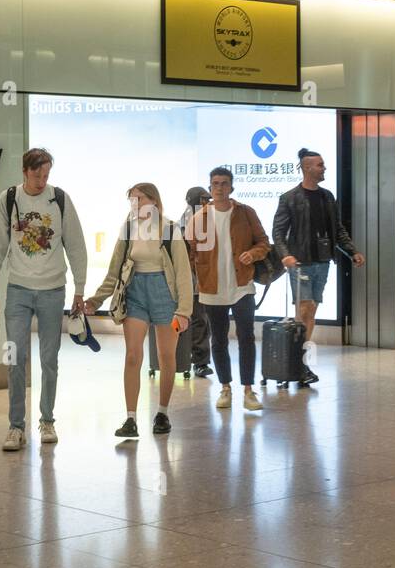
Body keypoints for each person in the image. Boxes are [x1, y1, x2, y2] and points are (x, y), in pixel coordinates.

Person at [0, 148, 87, 451]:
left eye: (46, 175)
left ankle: (48, 420)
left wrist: (80, 288)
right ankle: (16, 427)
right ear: (24, 171)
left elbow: (76, 244)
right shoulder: (9, 199)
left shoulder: (60, 199)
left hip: (53, 290)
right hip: (18, 290)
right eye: (37, 174)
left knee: (49, 359)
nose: (42, 181)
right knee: (15, 359)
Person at [84, 183, 193, 438]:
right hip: (135, 292)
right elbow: (115, 269)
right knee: (133, 355)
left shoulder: (169, 229)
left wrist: (184, 311)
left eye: (139, 199)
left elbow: (183, 275)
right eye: (131, 200)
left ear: (154, 201)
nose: (134, 204)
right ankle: (130, 418)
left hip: (165, 294)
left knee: (166, 356)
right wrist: (96, 300)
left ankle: (162, 413)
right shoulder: (129, 229)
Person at [271, 147, 366, 386]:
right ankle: (296, 363)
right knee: (304, 309)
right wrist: (285, 256)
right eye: (320, 165)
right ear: (306, 168)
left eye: (323, 164)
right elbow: (278, 233)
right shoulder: (289, 198)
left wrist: (352, 251)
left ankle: (299, 360)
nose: (324, 168)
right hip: (299, 263)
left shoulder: (327, 197)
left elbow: (338, 229)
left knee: (311, 310)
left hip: (322, 261)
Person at [185, 167, 271, 412]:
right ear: (210, 188)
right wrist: (199, 272)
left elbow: (263, 242)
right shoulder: (199, 218)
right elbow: (190, 252)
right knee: (218, 339)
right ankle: (225, 388)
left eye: (224, 183)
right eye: (215, 184)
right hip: (212, 288)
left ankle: (248, 390)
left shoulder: (245, 213)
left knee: (246, 336)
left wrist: (252, 254)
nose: (220, 188)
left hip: (242, 285)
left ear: (232, 187)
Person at [180, 185, 214, 377]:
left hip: (202, 282)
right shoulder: (183, 225)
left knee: (201, 322)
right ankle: (197, 362)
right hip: (191, 283)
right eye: (203, 200)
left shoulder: (208, 221)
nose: (207, 204)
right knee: (199, 322)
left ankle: (198, 362)